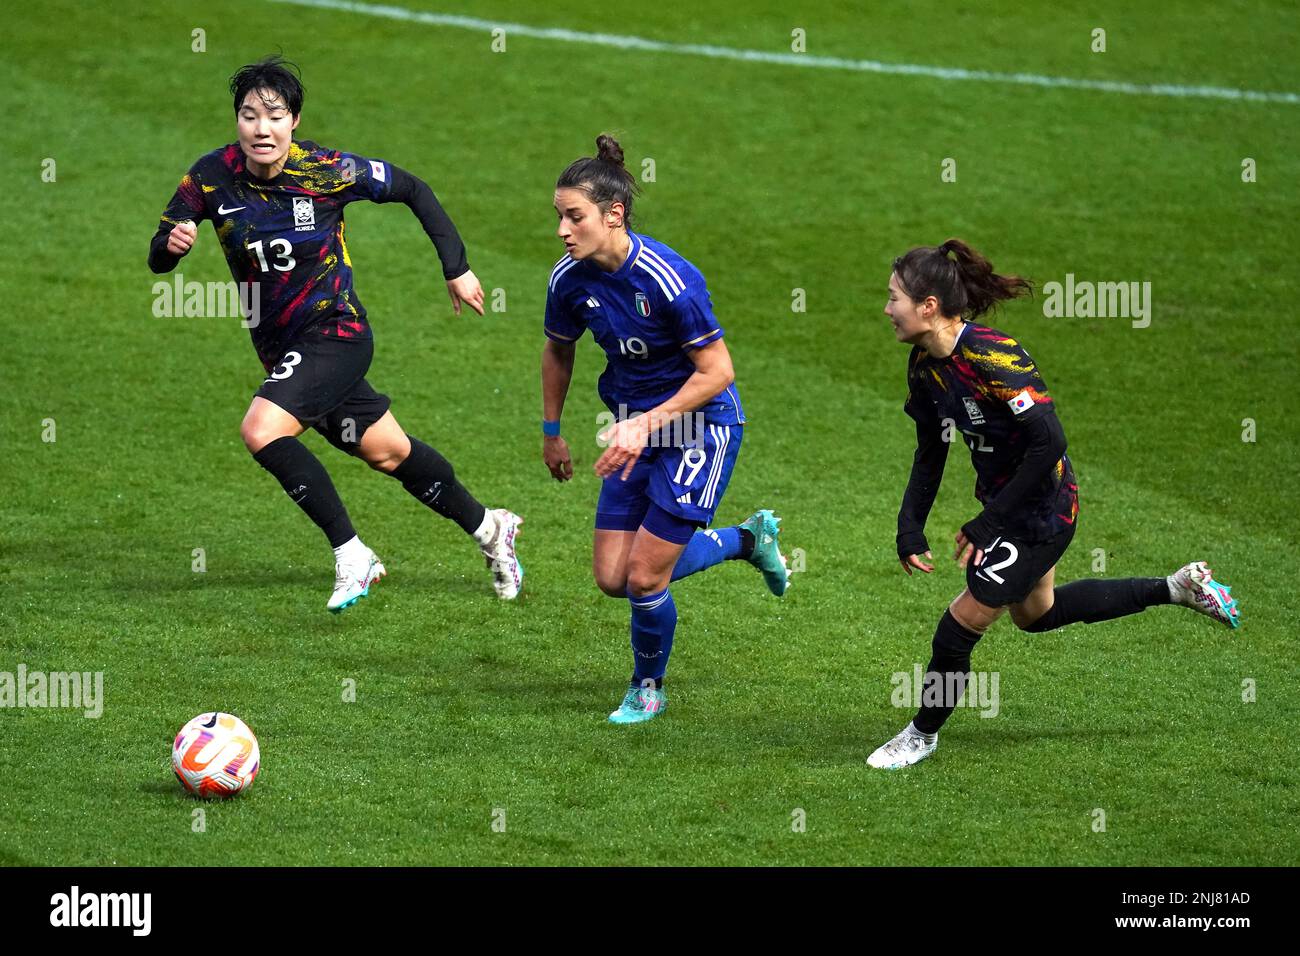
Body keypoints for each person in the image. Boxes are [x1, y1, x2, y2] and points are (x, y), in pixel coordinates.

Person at [147, 56, 522, 612]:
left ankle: (353, 555)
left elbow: (414, 189)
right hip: (282, 351)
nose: (261, 128)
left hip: (336, 333)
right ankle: (491, 529)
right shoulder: (209, 176)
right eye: (249, 116)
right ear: (237, 123)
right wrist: (170, 247)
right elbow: (158, 255)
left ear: (294, 120)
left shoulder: (326, 170)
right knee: (390, 453)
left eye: (273, 115)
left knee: (262, 430)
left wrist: (457, 266)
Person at [870, 239, 1240, 769]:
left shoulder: (995, 356)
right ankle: (1176, 588)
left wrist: (987, 523)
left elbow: (1050, 444)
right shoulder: (925, 367)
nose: (887, 310)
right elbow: (930, 450)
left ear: (928, 306)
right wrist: (910, 526)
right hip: (1006, 507)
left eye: (894, 299)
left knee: (959, 624)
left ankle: (921, 734)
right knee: (1035, 615)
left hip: (1044, 509)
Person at [540, 135, 791, 723]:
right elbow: (558, 351)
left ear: (613, 214)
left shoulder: (670, 279)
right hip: (636, 427)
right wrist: (552, 430)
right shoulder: (568, 280)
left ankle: (647, 687)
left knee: (645, 576)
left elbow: (718, 371)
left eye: (574, 217)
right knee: (611, 578)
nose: (562, 230)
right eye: (558, 216)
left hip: (702, 427)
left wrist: (645, 425)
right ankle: (749, 541)